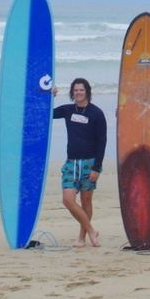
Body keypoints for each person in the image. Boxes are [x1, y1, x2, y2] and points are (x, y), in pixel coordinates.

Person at [52, 78, 107, 248]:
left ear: (87, 92)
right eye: (75, 90)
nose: (78, 93)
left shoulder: (96, 113)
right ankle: (91, 229)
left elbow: (102, 142)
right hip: (71, 162)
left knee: (86, 201)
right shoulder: (68, 110)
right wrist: (50, 96)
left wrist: (97, 168)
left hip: (90, 163)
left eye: (81, 90)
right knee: (68, 200)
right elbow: (47, 113)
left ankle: (82, 237)